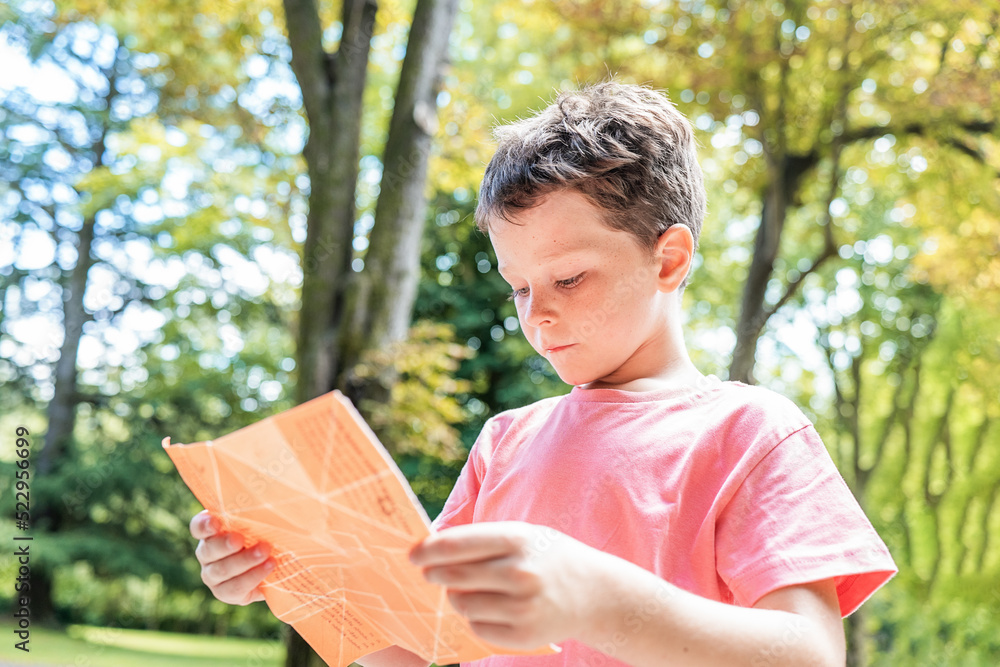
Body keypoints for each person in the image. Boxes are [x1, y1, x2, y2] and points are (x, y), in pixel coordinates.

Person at [190, 81, 897, 666]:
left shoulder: (751, 432)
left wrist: (598, 600)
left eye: (568, 278)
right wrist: (297, 571)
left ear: (670, 259)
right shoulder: (505, 441)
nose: (539, 316)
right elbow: (414, 643)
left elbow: (810, 653)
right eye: (519, 287)